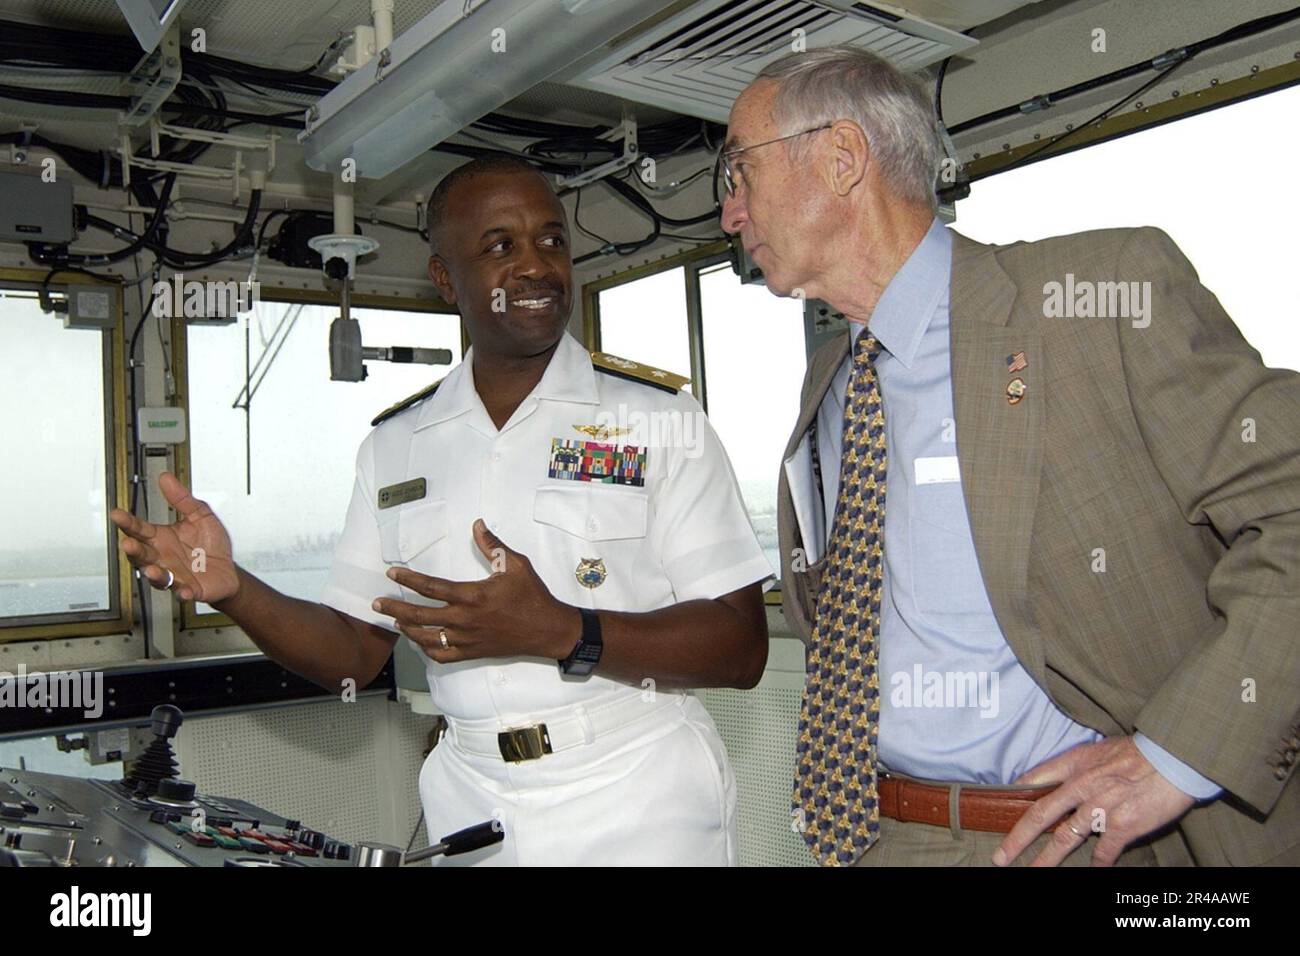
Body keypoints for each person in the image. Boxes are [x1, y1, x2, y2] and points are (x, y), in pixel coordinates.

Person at [719, 45, 1300, 867]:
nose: (729, 216)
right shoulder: (830, 378)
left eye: (737, 173)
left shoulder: (1098, 300)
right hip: (878, 834)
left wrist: (1180, 755)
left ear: (842, 159)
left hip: (1084, 840)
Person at [111, 154, 772, 866]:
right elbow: (353, 654)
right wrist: (234, 588)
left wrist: (562, 630)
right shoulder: (394, 447)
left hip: (637, 791)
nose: (535, 266)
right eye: (499, 246)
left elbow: (740, 646)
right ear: (445, 280)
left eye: (552, 240)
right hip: (469, 804)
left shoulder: (656, 419)